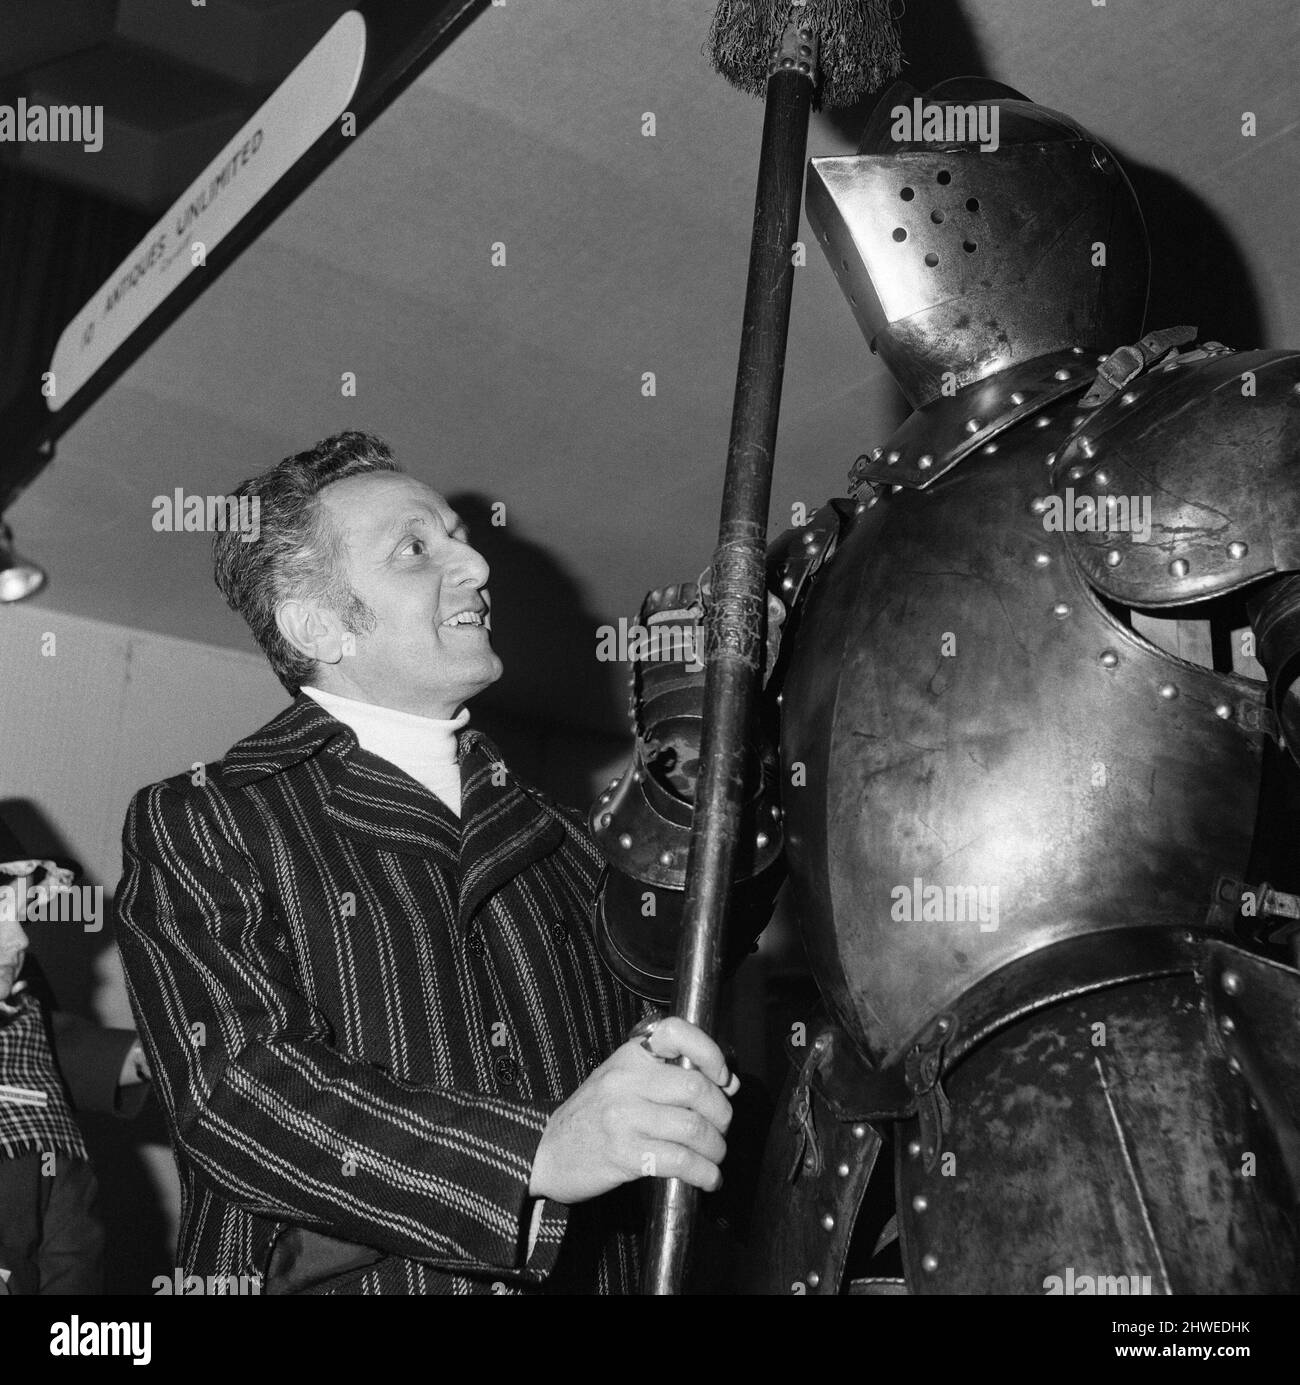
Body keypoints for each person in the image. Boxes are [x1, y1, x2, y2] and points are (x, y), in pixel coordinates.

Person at [114, 430, 736, 1295]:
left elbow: (684, 971)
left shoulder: (566, 835)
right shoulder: (207, 817)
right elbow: (238, 1091)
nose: (476, 564)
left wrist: (720, 750)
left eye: (458, 536)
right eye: (417, 548)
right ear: (318, 623)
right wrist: (532, 1155)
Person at [0, 853, 150, 1295]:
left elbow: (44, 1044)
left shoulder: (20, 1012)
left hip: (41, 1163)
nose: (18, 940)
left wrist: (141, 1057)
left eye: (20, 913)